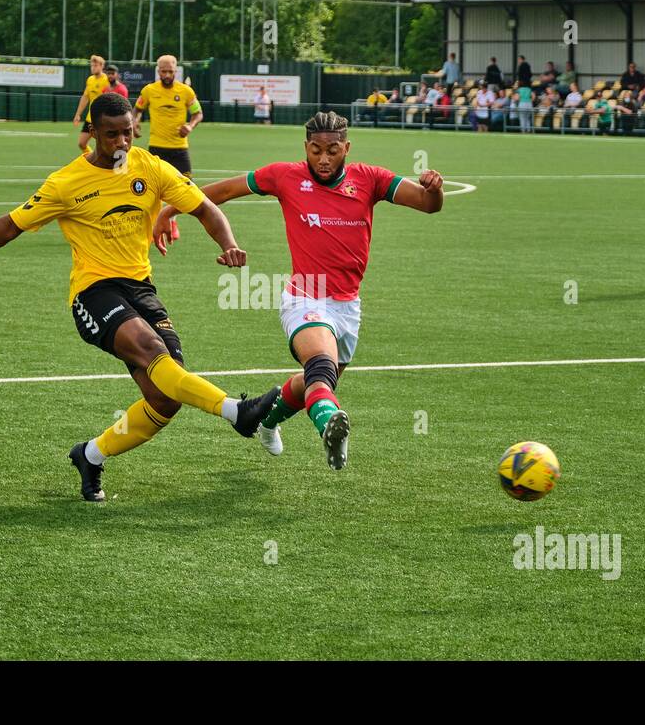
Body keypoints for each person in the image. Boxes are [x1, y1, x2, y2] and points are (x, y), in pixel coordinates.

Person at [0, 92, 280, 502]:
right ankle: (238, 412)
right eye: (112, 135)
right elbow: (10, 225)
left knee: (165, 398)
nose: (122, 143)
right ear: (92, 133)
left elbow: (206, 209)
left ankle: (90, 454)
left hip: (141, 288)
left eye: (128, 133)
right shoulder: (66, 182)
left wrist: (229, 243)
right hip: (93, 292)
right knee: (150, 348)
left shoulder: (151, 167)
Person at [154, 111, 444, 469]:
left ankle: (267, 421)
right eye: (316, 150)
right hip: (305, 295)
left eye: (333, 151)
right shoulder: (284, 175)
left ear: (347, 148)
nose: (323, 159)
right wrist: (170, 210)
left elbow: (427, 205)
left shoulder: (371, 179)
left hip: (347, 305)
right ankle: (330, 428)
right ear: (305, 147)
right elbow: (224, 191)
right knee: (321, 366)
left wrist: (434, 189)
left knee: (311, 382)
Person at [134, 54, 203, 239]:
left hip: (179, 148)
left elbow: (198, 113)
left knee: (187, 187)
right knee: (153, 190)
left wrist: (190, 125)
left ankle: (171, 218)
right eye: (163, 71)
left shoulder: (186, 92)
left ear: (176, 71)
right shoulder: (149, 90)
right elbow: (137, 109)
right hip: (157, 147)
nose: (166, 75)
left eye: (170, 71)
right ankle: (159, 224)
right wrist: (134, 122)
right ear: (158, 71)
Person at [72, 54, 110, 154]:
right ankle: (92, 159)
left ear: (102, 66)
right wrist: (78, 114)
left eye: (95, 65)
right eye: (92, 65)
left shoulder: (107, 80)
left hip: (102, 118)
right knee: (82, 143)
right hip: (90, 118)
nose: (93, 68)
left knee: (103, 145)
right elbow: (85, 97)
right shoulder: (90, 79)